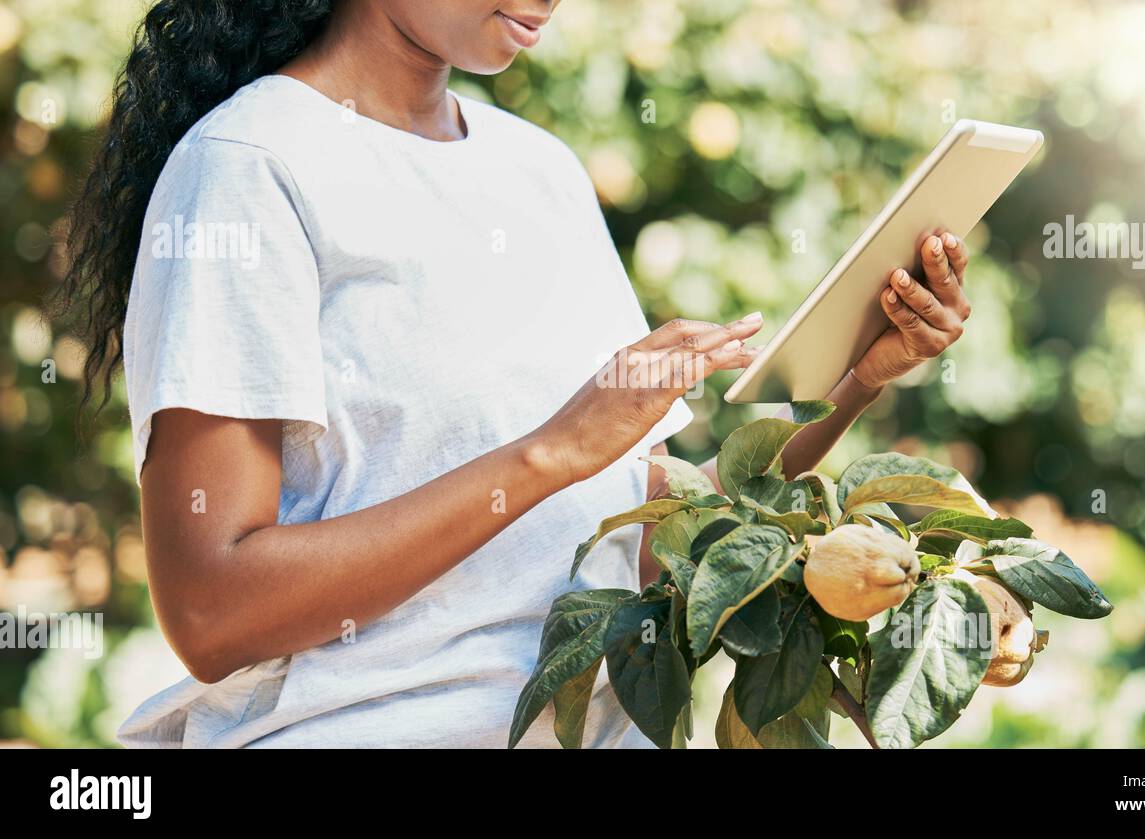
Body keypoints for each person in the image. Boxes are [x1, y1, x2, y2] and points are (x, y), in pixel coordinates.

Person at [60, 0, 973, 747]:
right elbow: (211, 611)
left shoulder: (538, 170)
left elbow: (657, 542)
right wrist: (548, 454)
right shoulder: (249, 168)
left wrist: (858, 377)